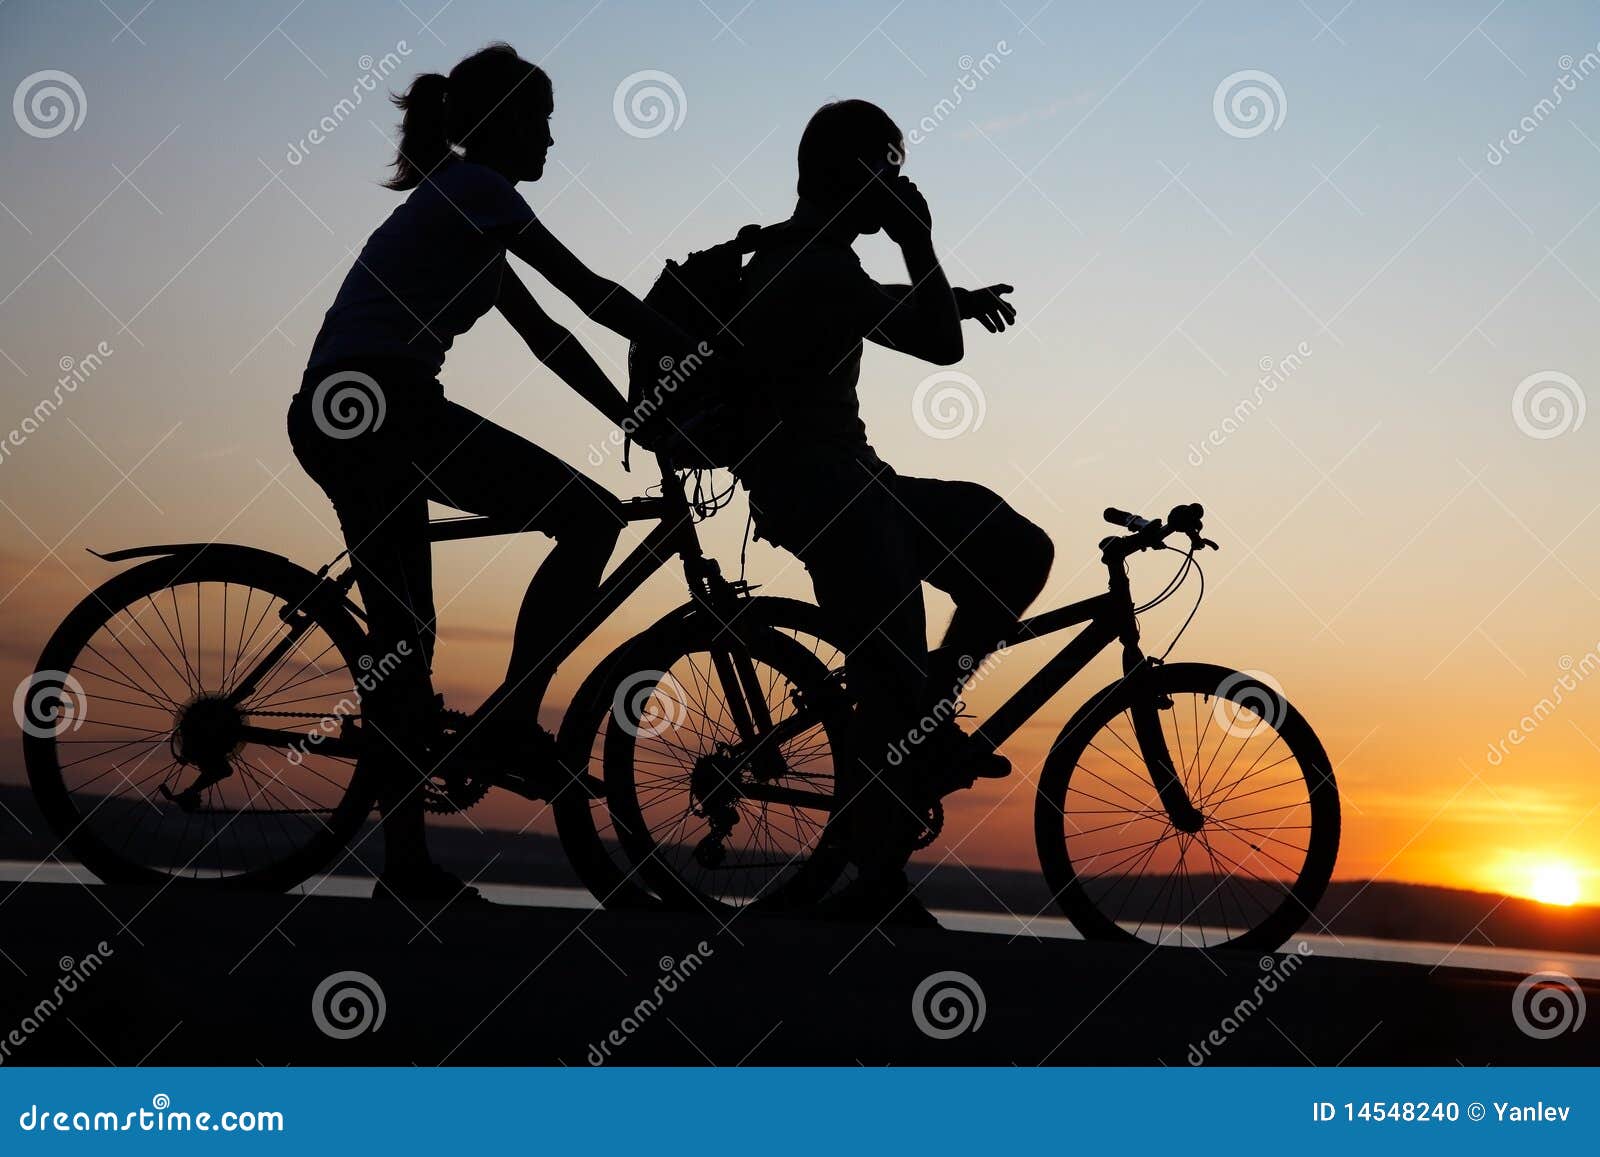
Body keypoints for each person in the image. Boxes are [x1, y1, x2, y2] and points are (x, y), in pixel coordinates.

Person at [287, 44, 683, 908]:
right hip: (377, 406)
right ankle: (509, 727)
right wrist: (705, 342)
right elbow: (588, 294)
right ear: (498, 123)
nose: (549, 137)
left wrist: (626, 413)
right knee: (583, 520)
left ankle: (409, 859)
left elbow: (549, 339)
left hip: (358, 407)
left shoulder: (466, 209)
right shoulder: (478, 192)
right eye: (540, 119)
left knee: (409, 632)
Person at [733, 100, 1055, 927]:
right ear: (850, 173)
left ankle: (931, 721)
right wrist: (920, 240)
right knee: (893, 676)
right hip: (829, 494)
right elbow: (940, 345)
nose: (898, 180)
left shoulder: (804, 253)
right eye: (885, 165)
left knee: (1015, 548)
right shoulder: (816, 265)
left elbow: (898, 311)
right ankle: (875, 875)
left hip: (854, 483)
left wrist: (949, 288)